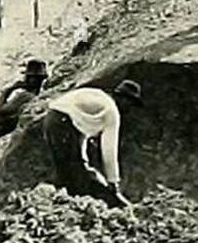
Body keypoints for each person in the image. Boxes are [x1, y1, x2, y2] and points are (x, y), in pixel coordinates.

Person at [43, 79, 143, 207]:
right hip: (62, 122)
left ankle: (66, 203)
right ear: (123, 99)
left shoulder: (99, 97)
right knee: (77, 170)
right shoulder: (112, 112)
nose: (129, 108)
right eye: (130, 103)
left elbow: (79, 130)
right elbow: (109, 151)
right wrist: (113, 182)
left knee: (67, 169)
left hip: (51, 119)